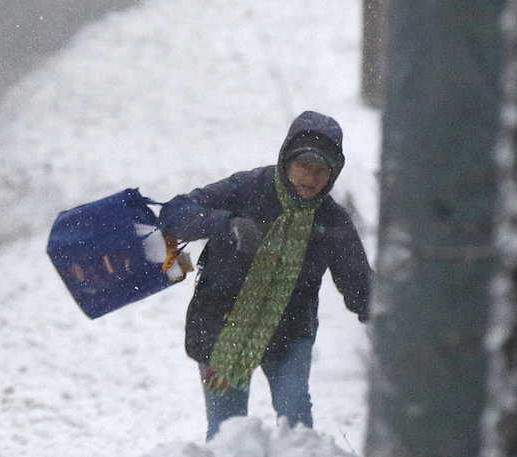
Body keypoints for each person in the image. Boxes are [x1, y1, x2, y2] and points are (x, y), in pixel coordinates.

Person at [157, 111, 372, 440]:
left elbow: (360, 284)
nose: (310, 177)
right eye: (304, 165)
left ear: (333, 174)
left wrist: (395, 322)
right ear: (286, 160)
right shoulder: (248, 188)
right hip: (222, 325)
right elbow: (174, 214)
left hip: (290, 333)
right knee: (227, 433)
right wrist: (226, 225)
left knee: (296, 419)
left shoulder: (332, 221)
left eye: (321, 169)